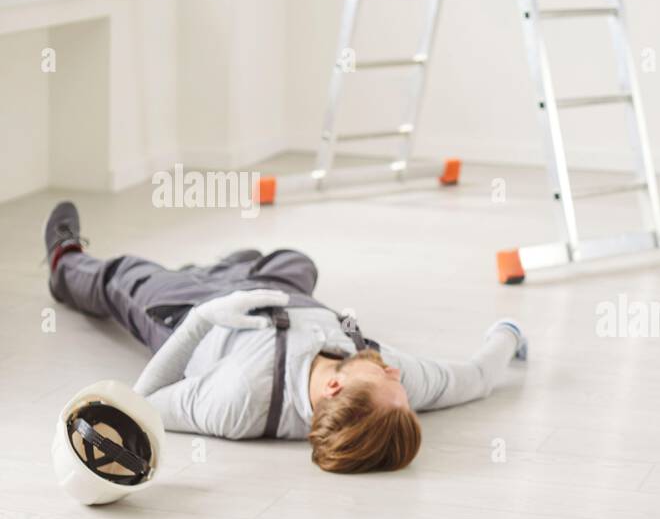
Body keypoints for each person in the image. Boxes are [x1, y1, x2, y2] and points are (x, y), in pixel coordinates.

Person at [43, 201, 526, 474]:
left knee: (124, 277)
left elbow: (141, 405)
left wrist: (205, 317)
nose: (395, 370)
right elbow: (478, 378)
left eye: (385, 376)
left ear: (334, 388)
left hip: (190, 308)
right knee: (297, 260)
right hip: (284, 291)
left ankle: (64, 261)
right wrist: (510, 331)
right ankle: (233, 265)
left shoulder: (239, 402)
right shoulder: (390, 393)